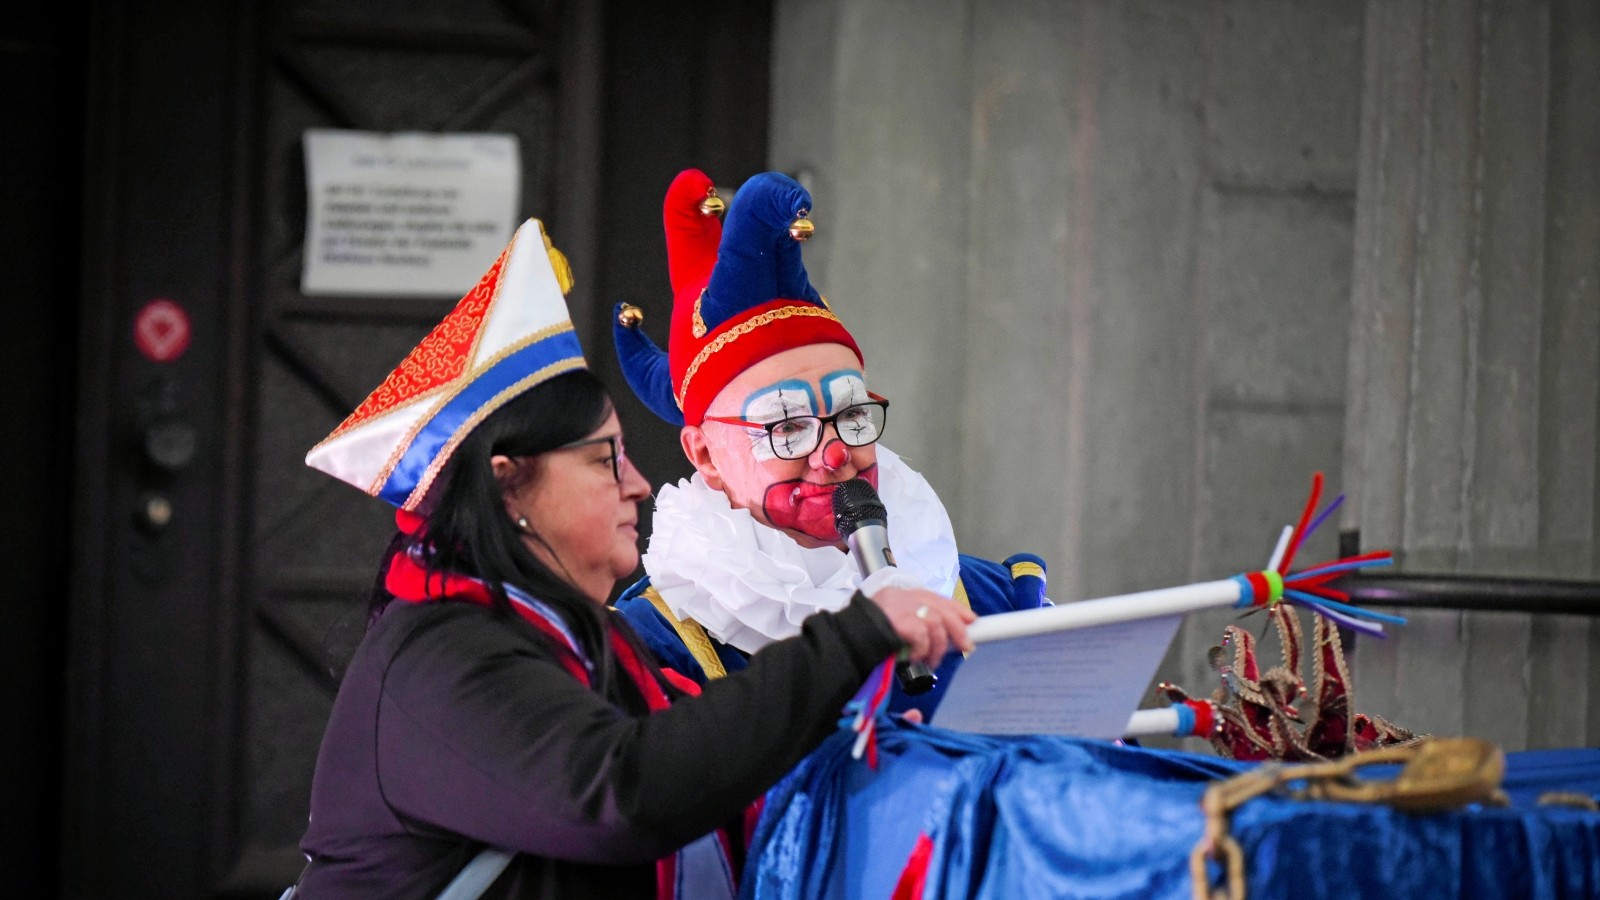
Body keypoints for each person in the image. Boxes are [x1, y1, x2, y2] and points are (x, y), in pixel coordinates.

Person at [294, 218, 971, 898]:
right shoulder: (439, 658)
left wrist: (841, 760)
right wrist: (852, 637)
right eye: (605, 459)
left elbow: (706, 773)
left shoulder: (579, 638)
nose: (639, 485)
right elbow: (626, 793)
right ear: (509, 483)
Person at [611, 170, 1049, 718]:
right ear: (705, 456)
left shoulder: (999, 601)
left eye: (850, 413)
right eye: (788, 427)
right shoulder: (649, 649)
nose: (836, 453)